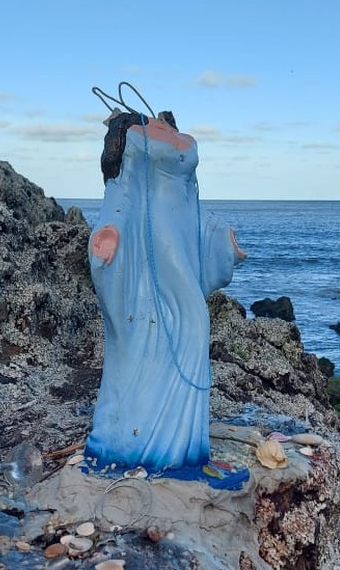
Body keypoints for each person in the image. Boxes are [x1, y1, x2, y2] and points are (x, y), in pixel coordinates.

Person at [86, 105, 245, 473]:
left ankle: (183, 444)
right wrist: (110, 229)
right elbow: (120, 193)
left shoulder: (174, 137)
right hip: (148, 246)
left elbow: (192, 201)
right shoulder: (132, 136)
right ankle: (129, 438)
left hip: (181, 243)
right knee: (141, 331)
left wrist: (217, 236)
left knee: (193, 325)